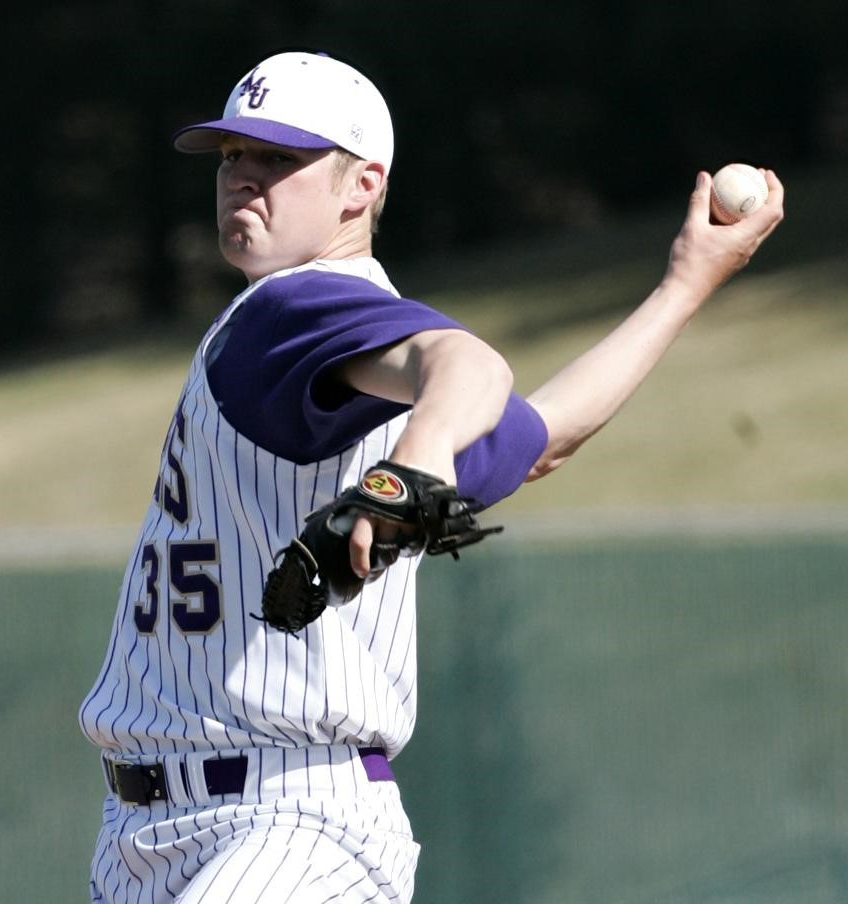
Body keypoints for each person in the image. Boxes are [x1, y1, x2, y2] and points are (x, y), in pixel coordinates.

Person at [78, 50, 784, 903]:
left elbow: (466, 361)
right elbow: (542, 436)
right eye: (233, 156)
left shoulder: (298, 307)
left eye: (280, 159)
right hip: (165, 833)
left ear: (360, 186)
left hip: (281, 828)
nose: (244, 179)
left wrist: (417, 461)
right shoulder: (344, 363)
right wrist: (685, 282)